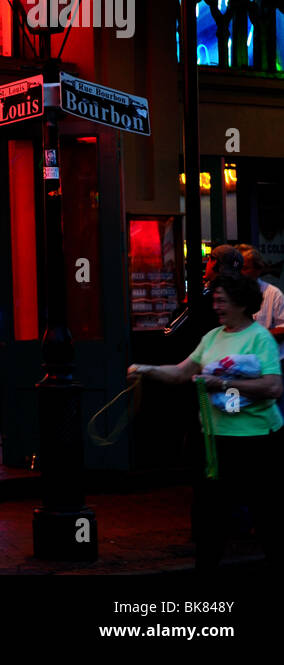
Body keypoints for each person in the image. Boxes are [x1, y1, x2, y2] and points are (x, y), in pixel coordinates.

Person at [129, 273, 283, 570]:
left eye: (221, 300)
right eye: (215, 300)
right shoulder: (212, 337)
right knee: (210, 519)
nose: (216, 306)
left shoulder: (259, 338)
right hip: (215, 443)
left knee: (267, 518)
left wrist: (222, 385)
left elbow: (274, 387)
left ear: (240, 303)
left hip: (257, 443)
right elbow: (182, 373)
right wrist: (146, 370)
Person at [237, 244, 284, 345]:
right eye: (237, 268)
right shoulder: (231, 294)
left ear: (258, 270)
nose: (239, 273)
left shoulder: (274, 294)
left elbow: (282, 328)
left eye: (244, 268)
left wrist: (255, 337)